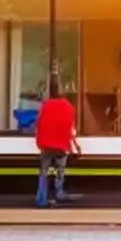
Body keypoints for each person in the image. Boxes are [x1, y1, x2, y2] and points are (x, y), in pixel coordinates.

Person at [33, 77, 80, 207]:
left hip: (46, 145)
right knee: (60, 169)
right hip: (60, 146)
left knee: (44, 172)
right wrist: (75, 146)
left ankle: (41, 198)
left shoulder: (45, 105)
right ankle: (59, 192)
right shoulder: (68, 107)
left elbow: (38, 123)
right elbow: (70, 129)